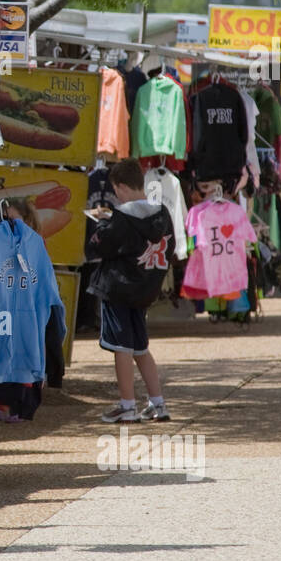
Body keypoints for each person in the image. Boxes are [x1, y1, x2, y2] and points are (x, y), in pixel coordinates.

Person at [85, 158, 176, 423]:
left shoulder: (122, 218)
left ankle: (127, 405)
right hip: (145, 288)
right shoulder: (163, 214)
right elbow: (169, 247)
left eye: (116, 191)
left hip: (118, 288)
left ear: (122, 187)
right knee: (140, 347)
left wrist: (100, 224)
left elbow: (101, 245)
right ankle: (158, 403)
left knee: (120, 347)